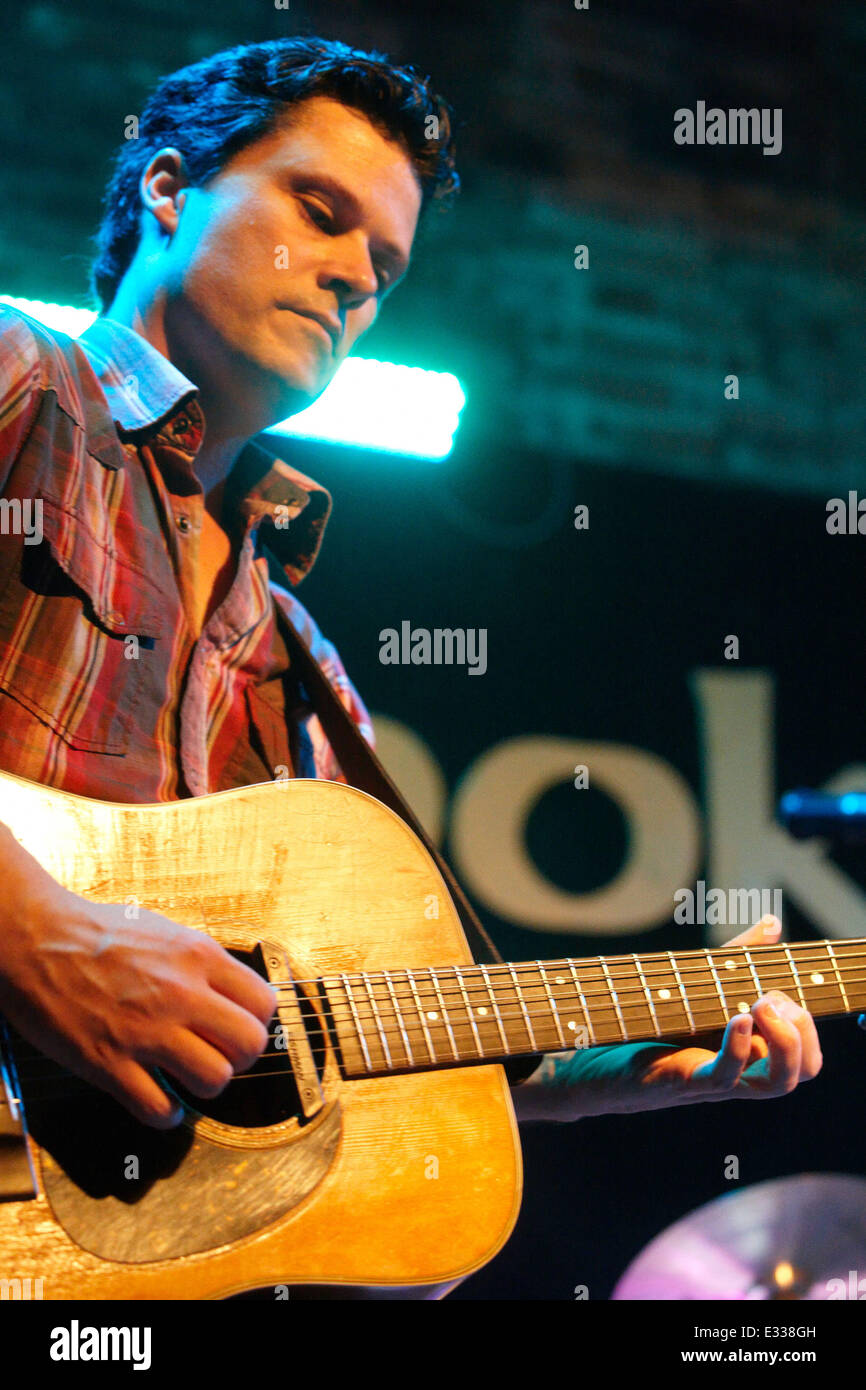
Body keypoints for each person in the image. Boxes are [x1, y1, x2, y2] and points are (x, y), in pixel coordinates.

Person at [0, 37, 821, 1144]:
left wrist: (643, 1066)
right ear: (165, 189)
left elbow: (365, 1033)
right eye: (318, 210)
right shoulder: (19, 381)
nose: (351, 277)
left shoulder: (297, 656)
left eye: (383, 268)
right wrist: (38, 933)